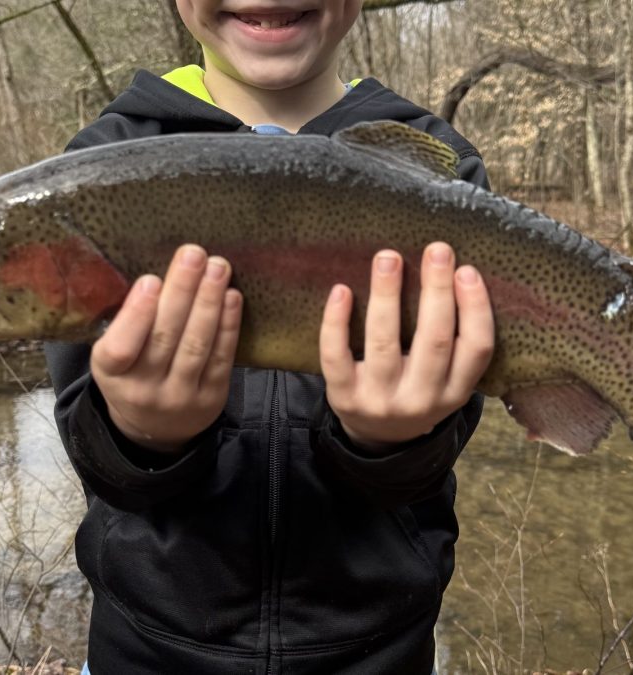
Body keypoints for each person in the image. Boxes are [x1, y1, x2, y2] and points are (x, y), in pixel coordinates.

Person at [44, 1, 496, 672]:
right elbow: (94, 451)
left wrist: (393, 442)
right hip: (145, 653)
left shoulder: (439, 171)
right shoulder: (103, 163)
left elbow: (440, 451)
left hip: (377, 656)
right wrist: (141, 434)